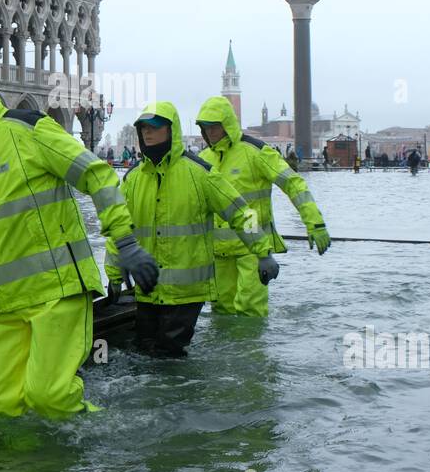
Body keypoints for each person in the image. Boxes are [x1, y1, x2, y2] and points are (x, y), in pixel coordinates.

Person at [0, 68, 156, 419]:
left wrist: (124, 241)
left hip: (55, 291)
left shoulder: (28, 129)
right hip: (0, 302)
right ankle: (21, 469)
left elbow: (96, 174)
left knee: (50, 397)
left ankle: (98, 451)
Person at [103, 102, 275, 357]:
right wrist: (114, 273)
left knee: (169, 355)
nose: (147, 133)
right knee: (143, 353)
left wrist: (263, 252)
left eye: (154, 127)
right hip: (148, 287)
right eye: (143, 128)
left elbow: (241, 213)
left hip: (187, 293)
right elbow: (117, 228)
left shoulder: (201, 174)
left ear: (171, 130)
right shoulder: (132, 179)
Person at [195, 96, 331, 317]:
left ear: (227, 123)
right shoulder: (202, 159)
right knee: (220, 312)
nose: (210, 132)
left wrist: (314, 222)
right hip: (218, 252)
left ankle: (254, 352)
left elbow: (293, 183)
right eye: (205, 127)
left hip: (254, 250)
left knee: (250, 312)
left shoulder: (256, 151)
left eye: (215, 126)